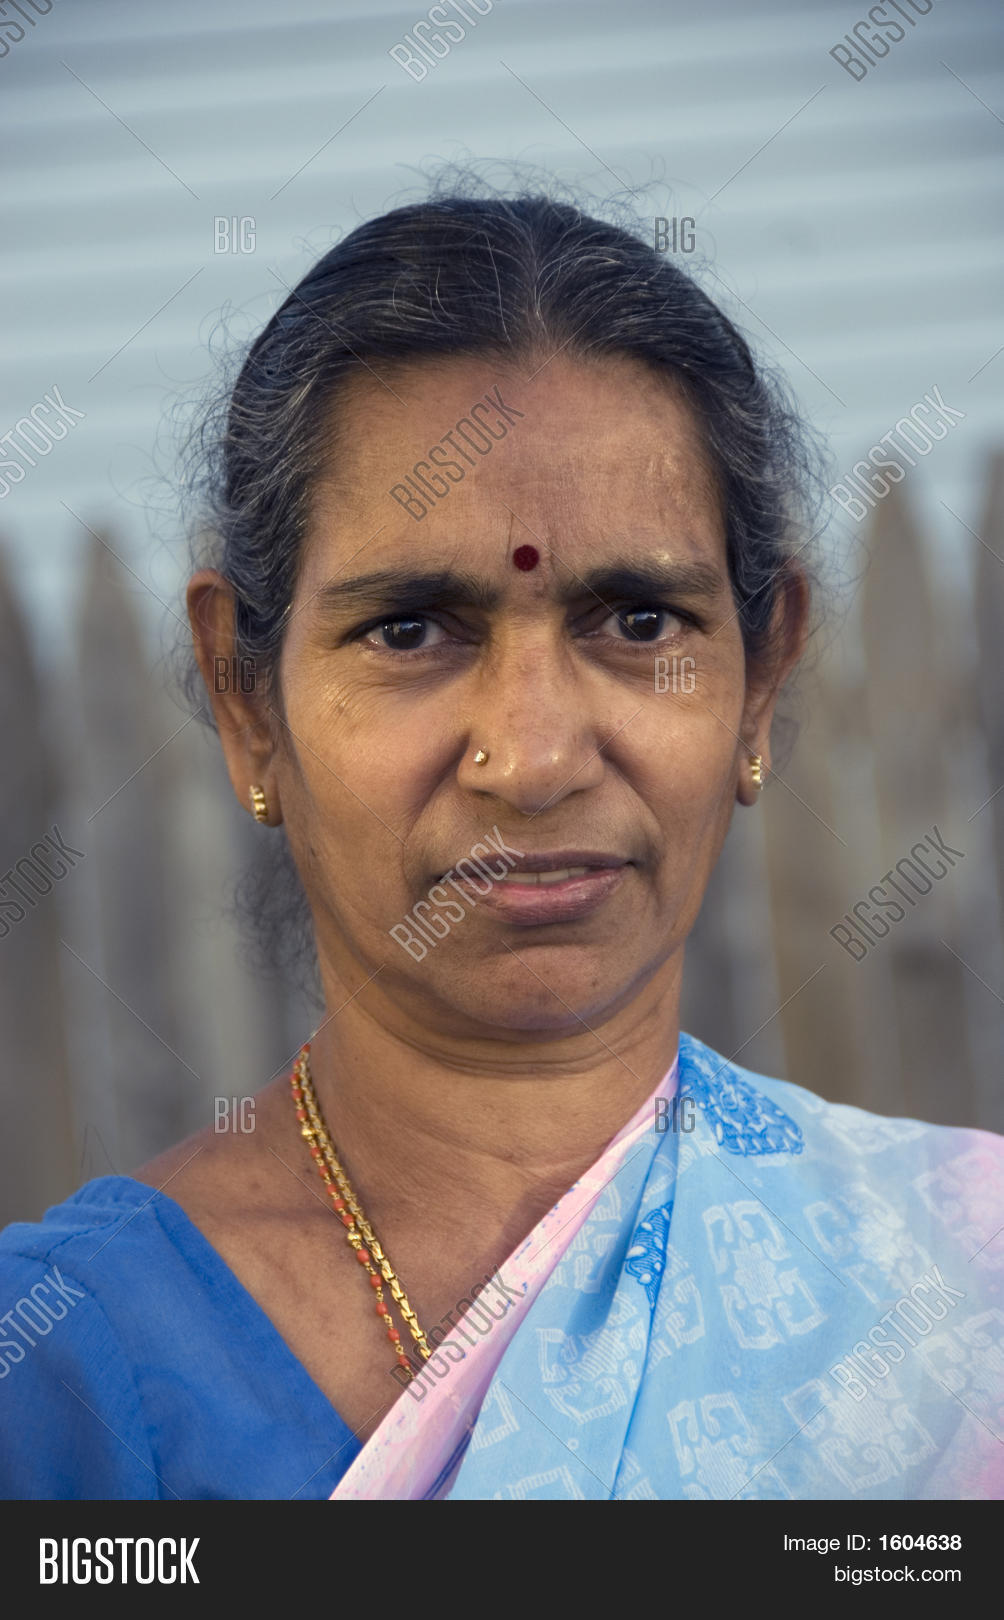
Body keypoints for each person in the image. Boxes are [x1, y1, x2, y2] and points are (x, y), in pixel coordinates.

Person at [1, 189, 1000, 1501]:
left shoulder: (957, 1285)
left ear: (759, 681)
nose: (531, 760)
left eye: (638, 622)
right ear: (247, 702)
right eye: (414, 629)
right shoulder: (64, 1365)